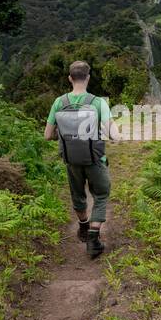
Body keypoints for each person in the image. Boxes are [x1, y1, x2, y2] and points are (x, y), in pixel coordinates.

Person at [44, 60, 112, 259]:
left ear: (70, 78)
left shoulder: (59, 102)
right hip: (95, 159)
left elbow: (48, 135)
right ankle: (93, 238)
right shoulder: (98, 102)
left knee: (78, 194)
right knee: (101, 194)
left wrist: (67, 135)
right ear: (88, 77)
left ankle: (83, 226)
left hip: (71, 160)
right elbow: (111, 133)